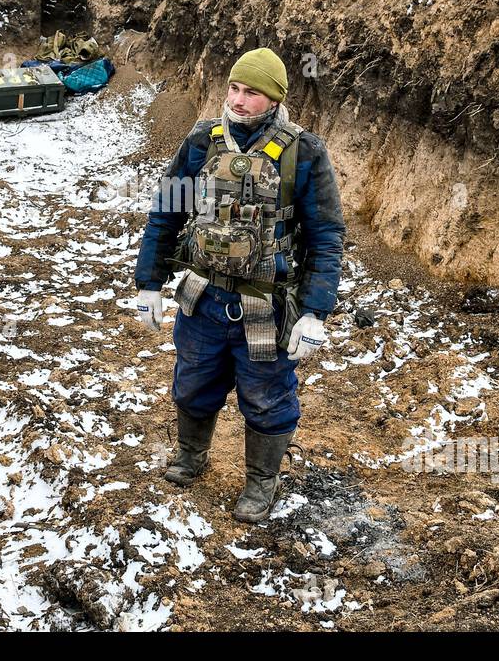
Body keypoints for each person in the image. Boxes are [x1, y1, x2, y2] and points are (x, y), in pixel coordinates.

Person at [134, 47, 345, 522]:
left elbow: (327, 235)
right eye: (234, 87)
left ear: (273, 99)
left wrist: (315, 310)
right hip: (203, 297)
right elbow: (166, 212)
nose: (239, 99)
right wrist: (149, 281)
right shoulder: (200, 142)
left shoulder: (304, 152)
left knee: (267, 398)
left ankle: (260, 482)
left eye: (252, 92)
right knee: (192, 383)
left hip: (266, 306)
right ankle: (190, 455)